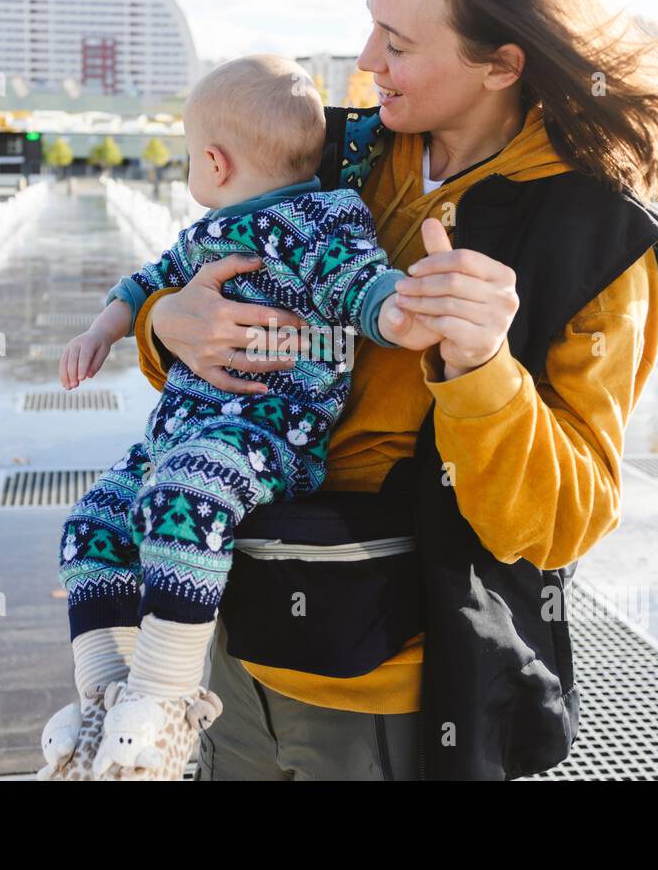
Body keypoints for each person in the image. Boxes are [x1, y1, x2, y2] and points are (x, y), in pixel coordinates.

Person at [123, 0, 658, 781]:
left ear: (503, 63)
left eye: (398, 42)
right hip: (221, 638)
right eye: (371, 25)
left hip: (387, 682)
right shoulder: (327, 153)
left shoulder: (598, 238)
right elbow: (206, 276)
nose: (365, 60)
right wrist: (164, 324)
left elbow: (566, 516)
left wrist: (482, 373)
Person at [37, 54, 440, 781]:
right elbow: (145, 284)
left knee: (184, 494)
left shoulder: (320, 223)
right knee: (94, 519)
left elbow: (360, 284)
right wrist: (105, 330)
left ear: (215, 163)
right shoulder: (206, 236)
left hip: (267, 434)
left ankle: (164, 702)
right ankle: (105, 697)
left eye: (191, 156)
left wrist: (403, 311)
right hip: (183, 435)